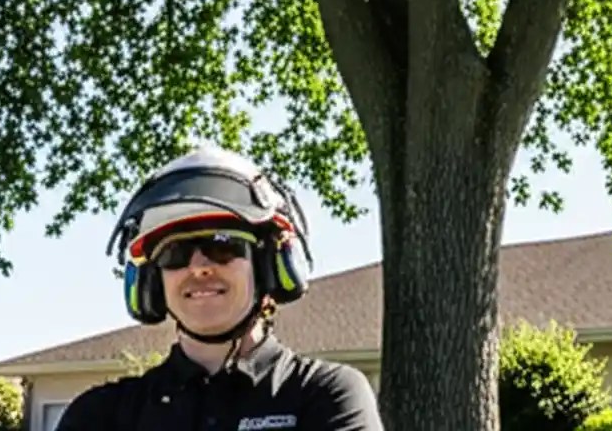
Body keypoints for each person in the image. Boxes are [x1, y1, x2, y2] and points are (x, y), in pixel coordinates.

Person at [54, 145, 384, 430]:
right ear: (152, 282)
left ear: (267, 264)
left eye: (222, 245)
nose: (199, 267)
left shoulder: (327, 395)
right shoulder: (100, 416)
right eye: (175, 253)